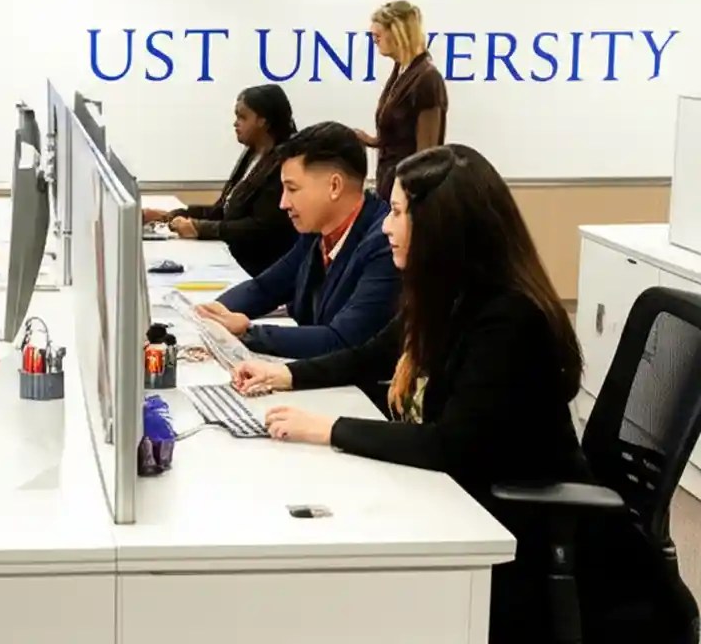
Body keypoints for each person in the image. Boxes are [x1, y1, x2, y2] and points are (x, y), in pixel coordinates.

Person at [230, 144, 588, 643]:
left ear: (442, 226)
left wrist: (328, 428)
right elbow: (372, 354)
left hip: (507, 534)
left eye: (398, 213)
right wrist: (286, 375)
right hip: (457, 499)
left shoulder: (507, 317)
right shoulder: (443, 291)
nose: (385, 227)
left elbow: (453, 444)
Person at [194, 122, 399, 359]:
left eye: (292, 189)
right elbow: (266, 288)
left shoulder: (384, 244)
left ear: (334, 186)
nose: (283, 203)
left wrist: (248, 333)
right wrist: (213, 314)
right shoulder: (317, 232)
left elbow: (341, 339)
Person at [142, 84, 300, 276]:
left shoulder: (283, 164)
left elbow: (260, 228)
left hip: (255, 268)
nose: (236, 123)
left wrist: (200, 229)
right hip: (235, 256)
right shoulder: (252, 154)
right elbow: (224, 209)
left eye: (242, 117)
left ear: (263, 121)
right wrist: (172, 215)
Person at [354, 0, 448, 201]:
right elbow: (401, 132)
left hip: (406, 192)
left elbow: (427, 153)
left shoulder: (427, 78)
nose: (373, 36)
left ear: (398, 32)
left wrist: (408, 201)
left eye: (379, 33)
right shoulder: (400, 70)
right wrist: (371, 140)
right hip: (388, 183)